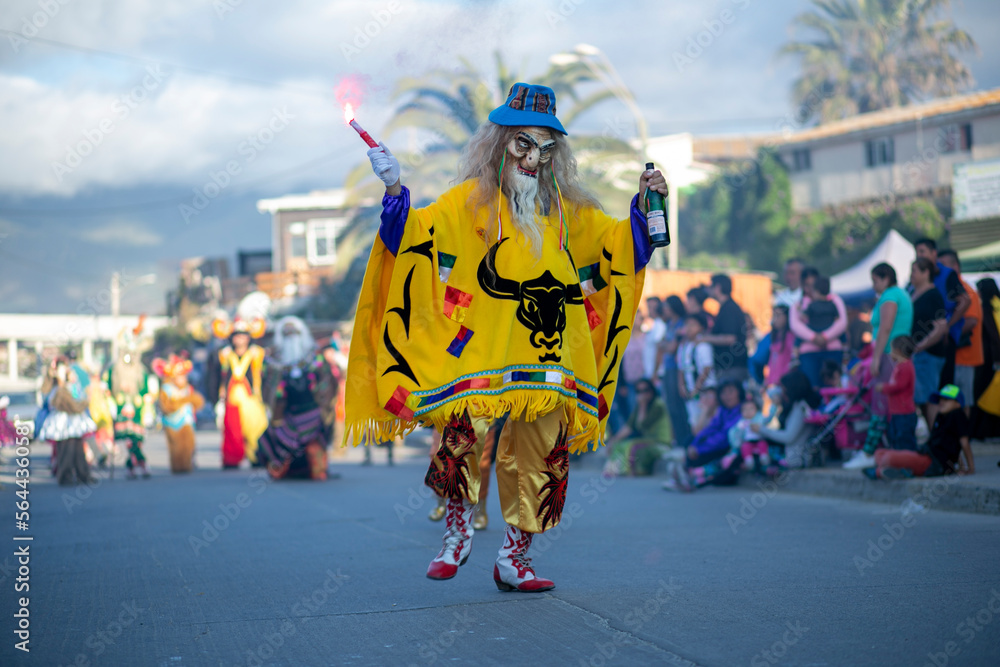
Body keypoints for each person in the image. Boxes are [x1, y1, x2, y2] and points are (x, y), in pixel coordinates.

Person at [348, 82, 657, 591]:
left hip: (549, 354)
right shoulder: (468, 202)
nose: (534, 158)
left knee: (543, 450)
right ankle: (457, 531)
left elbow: (617, 246)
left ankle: (516, 557)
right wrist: (394, 191)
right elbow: (412, 237)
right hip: (478, 350)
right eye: (524, 144)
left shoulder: (567, 210)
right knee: (460, 429)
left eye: (546, 147)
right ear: (500, 143)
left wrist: (646, 207)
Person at [844, 263, 913, 470]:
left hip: (887, 356)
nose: (873, 285)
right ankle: (887, 450)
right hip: (895, 355)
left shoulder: (890, 296)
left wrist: (875, 358)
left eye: (875, 280)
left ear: (885, 278)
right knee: (889, 404)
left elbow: (885, 327)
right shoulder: (901, 294)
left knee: (880, 404)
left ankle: (869, 451)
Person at [257, 317, 338, 480]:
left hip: (313, 412)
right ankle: (281, 469)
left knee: (318, 435)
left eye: (295, 332)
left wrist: (324, 404)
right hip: (286, 414)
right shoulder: (273, 360)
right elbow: (267, 388)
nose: (291, 337)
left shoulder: (315, 357)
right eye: (287, 334)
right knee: (268, 437)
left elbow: (328, 383)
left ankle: (317, 468)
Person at [869, 384, 974, 479]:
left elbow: (964, 443)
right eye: (940, 399)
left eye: (946, 399)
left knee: (888, 458)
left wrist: (970, 467)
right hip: (926, 454)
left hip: (933, 462)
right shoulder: (942, 416)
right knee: (879, 453)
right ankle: (898, 471)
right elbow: (953, 447)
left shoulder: (957, 415)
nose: (941, 402)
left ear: (957, 404)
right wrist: (958, 466)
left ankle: (879, 472)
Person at [210, 317, 268, 469]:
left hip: (252, 399)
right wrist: (215, 398)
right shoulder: (224, 354)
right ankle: (231, 459)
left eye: (243, 335)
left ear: (249, 337)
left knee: (257, 429)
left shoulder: (258, 354)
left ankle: (258, 458)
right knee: (232, 430)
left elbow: (267, 378)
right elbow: (215, 377)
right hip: (232, 399)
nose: (240, 338)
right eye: (236, 335)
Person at [663, 380, 743, 491]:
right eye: (723, 393)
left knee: (719, 460)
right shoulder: (723, 411)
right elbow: (709, 430)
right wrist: (695, 445)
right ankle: (687, 476)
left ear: (739, 392)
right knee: (690, 441)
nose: (726, 396)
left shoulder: (742, 410)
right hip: (715, 447)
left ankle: (691, 477)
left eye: (730, 392)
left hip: (731, 449)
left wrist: (699, 450)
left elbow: (723, 438)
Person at [914, 238, 970, 385]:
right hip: (923, 341)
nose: (919, 255)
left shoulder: (947, 274)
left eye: (922, 251)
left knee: (945, 386)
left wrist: (948, 326)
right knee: (926, 391)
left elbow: (965, 300)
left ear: (934, 254)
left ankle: (952, 408)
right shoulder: (916, 279)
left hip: (943, 340)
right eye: (917, 252)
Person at [105, 319, 153, 479]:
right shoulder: (115, 369)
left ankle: (133, 465)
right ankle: (139, 465)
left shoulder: (141, 370)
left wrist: (146, 397)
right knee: (129, 438)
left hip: (137, 407)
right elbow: (108, 386)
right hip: (122, 405)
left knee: (137, 438)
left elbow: (145, 387)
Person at [39, 357, 96, 486]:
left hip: (74, 420)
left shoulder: (72, 384)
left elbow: (78, 397)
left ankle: (83, 474)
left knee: (78, 448)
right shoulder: (53, 386)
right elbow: (53, 399)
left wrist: (72, 382)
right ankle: (65, 476)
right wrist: (56, 379)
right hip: (61, 420)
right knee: (65, 449)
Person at [938, 250, 983, 416]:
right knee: (951, 398)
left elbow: (971, 321)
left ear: (955, 267)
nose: (940, 269)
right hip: (954, 357)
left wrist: (946, 331)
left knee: (961, 399)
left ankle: (963, 437)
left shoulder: (964, 290)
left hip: (964, 356)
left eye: (943, 265)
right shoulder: (952, 289)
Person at [753, 368, 821, 469]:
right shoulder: (798, 404)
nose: (782, 393)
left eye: (784, 389)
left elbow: (788, 437)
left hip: (795, 459)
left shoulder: (801, 408)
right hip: (793, 457)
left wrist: (761, 430)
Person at [908, 258, 949, 422]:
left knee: (929, 397)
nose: (911, 275)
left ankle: (936, 437)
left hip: (929, 355)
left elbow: (940, 326)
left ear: (926, 273)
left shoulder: (933, 295)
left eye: (914, 271)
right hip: (918, 355)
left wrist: (921, 346)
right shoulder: (913, 293)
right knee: (921, 398)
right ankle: (932, 437)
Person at [604, 378, 672, 476]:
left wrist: (643, 405)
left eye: (645, 390)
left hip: (661, 442)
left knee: (631, 446)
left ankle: (626, 471)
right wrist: (614, 440)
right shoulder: (640, 406)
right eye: (639, 391)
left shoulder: (658, 405)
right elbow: (629, 427)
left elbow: (641, 425)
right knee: (619, 444)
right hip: (647, 441)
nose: (642, 394)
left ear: (651, 391)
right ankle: (612, 469)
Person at [790, 275, 847, 387]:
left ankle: (794, 356)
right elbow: (838, 320)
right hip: (819, 347)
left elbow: (801, 319)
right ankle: (846, 351)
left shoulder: (810, 305)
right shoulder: (832, 303)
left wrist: (816, 336)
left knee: (798, 339)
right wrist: (825, 335)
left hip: (819, 339)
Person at [154, 354, 205, 473]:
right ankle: (177, 466)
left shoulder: (187, 389)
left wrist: (191, 400)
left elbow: (198, 402)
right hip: (172, 422)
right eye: (180, 377)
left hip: (186, 422)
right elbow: (166, 407)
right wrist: (185, 400)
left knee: (188, 445)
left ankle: (187, 464)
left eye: (184, 376)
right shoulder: (166, 389)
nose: (184, 379)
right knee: (175, 447)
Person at [701, 274, 749, 383]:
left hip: (732, 368)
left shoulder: (729, 309)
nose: (708, 290)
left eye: (710, 286)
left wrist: (704, 338)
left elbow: (730, 338)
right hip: (729, 366)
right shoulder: (726, 307)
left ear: (717, 287)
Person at [658, 295, 690, 448]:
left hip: (677, 369)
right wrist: (666, 345)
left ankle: (684, 439)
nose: (665, 310)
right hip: (668, 367)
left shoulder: (682, 324)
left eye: (667, 307)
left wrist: (665, 345)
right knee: (671, 405)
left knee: (677, 405)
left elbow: (670, 348)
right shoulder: (671, 324)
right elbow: (665, 344)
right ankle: (678, 438)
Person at [876, 336, 917, 451]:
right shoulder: (899, 366)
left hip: (904, 412)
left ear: (898, 351)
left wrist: (883, 388)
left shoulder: (906, 366)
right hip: (896, 411)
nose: (889, 353)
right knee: (895, 439)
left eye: (891, 349)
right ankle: (898, 463)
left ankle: (908, 464)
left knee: (904, 440)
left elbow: (899, 386)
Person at [677, 313, 715, 432]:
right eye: (686, 325)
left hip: (704, 390)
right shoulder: (683, 347)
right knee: (694, 421)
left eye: (693, 325)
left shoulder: (703, 345)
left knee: (705, 422)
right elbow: (681, 368)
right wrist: (682, 386)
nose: (689, 328)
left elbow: (706, 369)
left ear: (701, 327)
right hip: (690, 391)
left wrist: (696, 388)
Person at [972, 279, 1000, 439]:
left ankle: (981, 431)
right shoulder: (998, 305)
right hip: (994, 359)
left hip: (989, 360)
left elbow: (992, 336)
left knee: (982, 393)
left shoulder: (986, 309)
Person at [749, 304, 795, 389]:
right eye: (773, 315)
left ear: (787, 317)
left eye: (778, 315)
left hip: (788, 383)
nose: (774, 319)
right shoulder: (771, 337)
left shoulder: (791, 336)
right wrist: (764, 381)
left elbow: (793, 361)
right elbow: (760, 360)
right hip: (773, 383)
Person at [731, 398, 769, 472]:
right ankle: (748, 460)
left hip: (759, 439)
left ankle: (764, 457)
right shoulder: (741, 422)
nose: (748, 412)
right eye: (745, 409)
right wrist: (739, 429)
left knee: (763, 444)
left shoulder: (760, 419)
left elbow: (767, 421)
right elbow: (734, 434)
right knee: (745, 447)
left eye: (751, 409)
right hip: (748, 441)